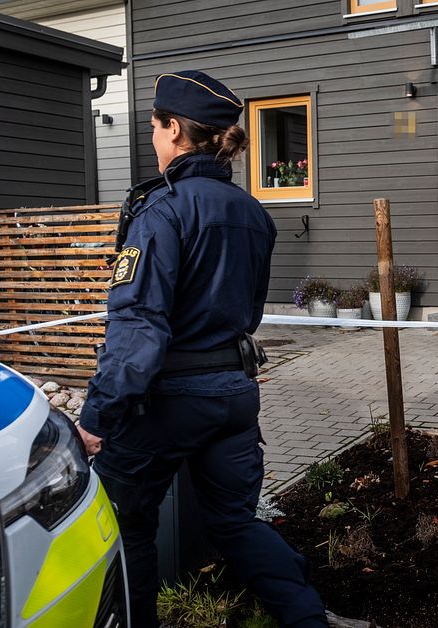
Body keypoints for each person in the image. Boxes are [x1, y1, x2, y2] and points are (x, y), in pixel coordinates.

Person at [76, 70, 328, 628]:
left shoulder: (160, 211)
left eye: (155, 126)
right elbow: (249, 314)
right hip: (234, 396)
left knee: (124, 523)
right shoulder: (252, 212)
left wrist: (96, 417)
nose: (152, 136)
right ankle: (307, 618)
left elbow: (138, 325)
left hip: (167, 402)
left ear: (173, 129)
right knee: (235, 523)